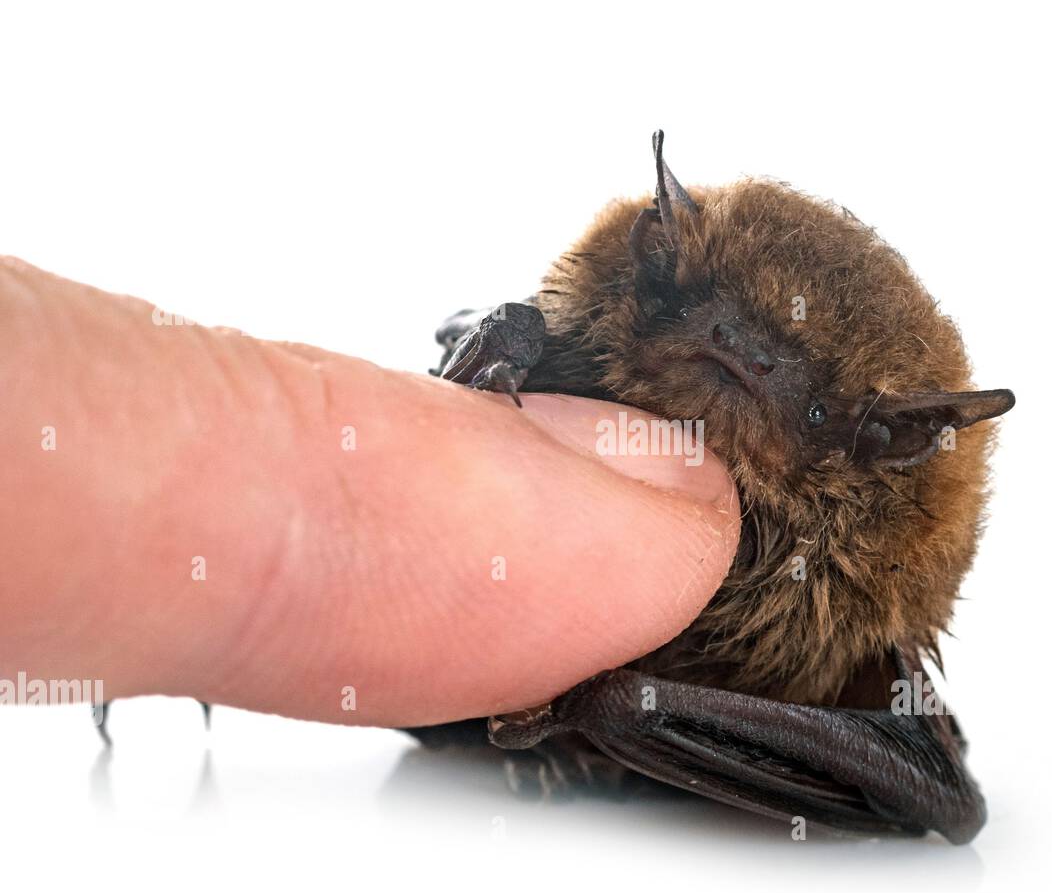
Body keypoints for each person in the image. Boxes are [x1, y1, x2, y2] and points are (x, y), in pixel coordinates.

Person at [0, 257, 739, 727]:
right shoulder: (564, 335)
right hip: (470, 641)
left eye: (811, 405)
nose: (738, 362)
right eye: (705, 320)